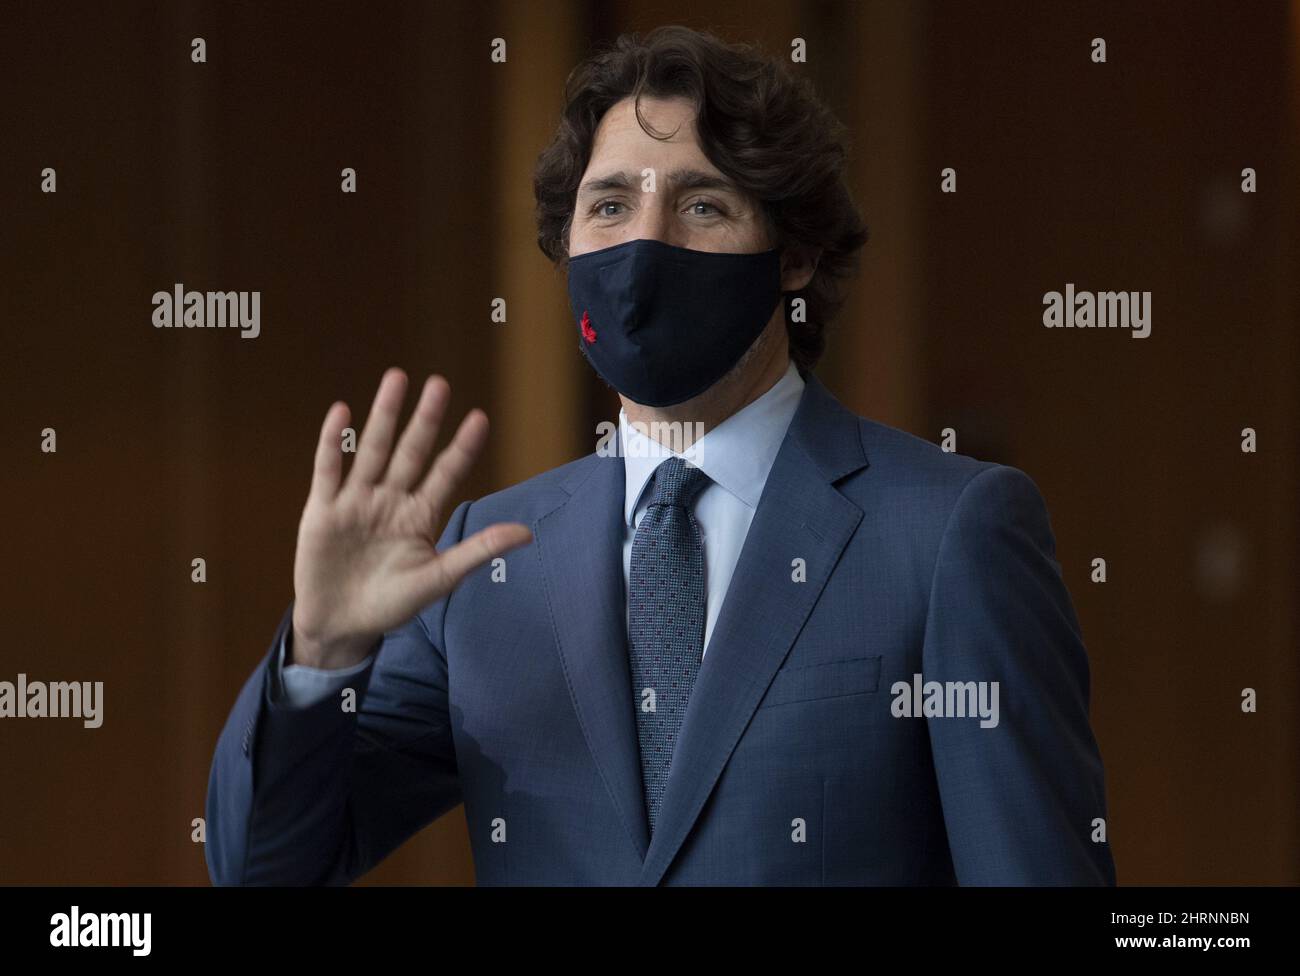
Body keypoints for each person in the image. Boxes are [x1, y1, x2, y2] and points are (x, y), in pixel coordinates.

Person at [205, 25, 1116, 885]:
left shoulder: (951, 531)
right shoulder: (488, 560)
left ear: (792, 255)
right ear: (567, 248)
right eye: (610, 205)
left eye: (702, 203)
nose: (647, 242)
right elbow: (262, 868)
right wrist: (322, 654)